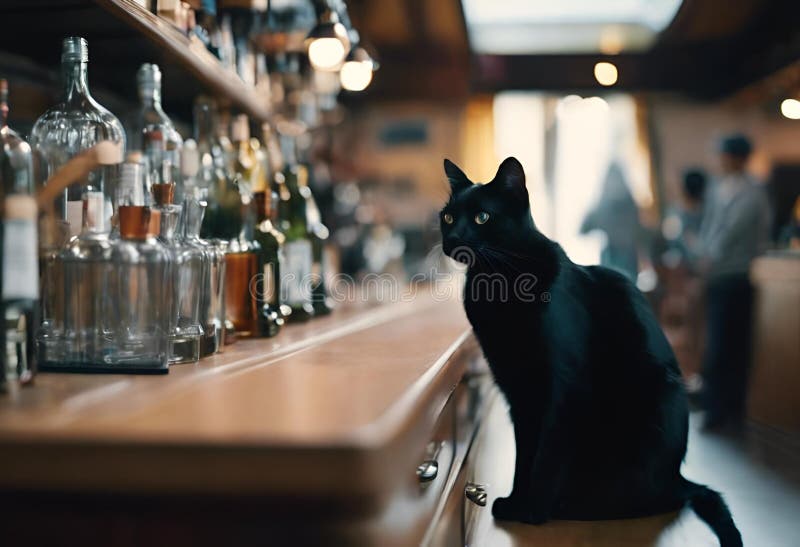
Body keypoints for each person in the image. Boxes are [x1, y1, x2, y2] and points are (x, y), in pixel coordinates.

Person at [698, 134, 771, 431]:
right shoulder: (718, 188)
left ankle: (731, 412)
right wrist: (703, 254)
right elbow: (710, 227)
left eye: (725, 155)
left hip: (736, 276)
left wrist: (709, 256)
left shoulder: (753, 193)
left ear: (738, 158)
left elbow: (733, 232)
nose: (721, 160)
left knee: (733, 347)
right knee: (716, 346)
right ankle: (716, 410)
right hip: (717, 277)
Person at [580, 161, 641, 281]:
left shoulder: (630, 206)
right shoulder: (604, 207)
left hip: (627, 259)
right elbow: (583, 229)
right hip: (612, 258)